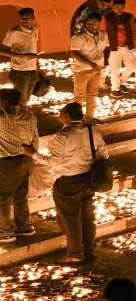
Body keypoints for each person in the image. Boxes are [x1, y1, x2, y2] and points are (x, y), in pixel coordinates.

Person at [49, 101, 107, 264]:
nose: (59, 115)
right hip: (88, 179)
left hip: (68, 181)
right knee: (87, 218)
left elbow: (55, 163)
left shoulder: (63, 135)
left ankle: (75, 253)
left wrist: (34, 155)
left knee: (69, 218)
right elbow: (104, 154)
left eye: (60, 113)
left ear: (67, 116)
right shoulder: (92, 130)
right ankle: (89, 251)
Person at [0, 88, 38, 243]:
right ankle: (25, 227)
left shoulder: (2, 120)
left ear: (4, 102)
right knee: (20, 195)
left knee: (2, 198)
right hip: (27, 160)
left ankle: (4, 231)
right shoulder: (30, 117)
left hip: (7, 163)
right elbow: (35, 139)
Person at [69, 14, 108, 121]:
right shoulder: (78, 37)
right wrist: (90, 63)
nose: (91, 25)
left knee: (92, 95)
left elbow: (104, 49)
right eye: (89, 23)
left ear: (99, 24)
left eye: (94, 23)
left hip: (97, 70)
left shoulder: (104, 35)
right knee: (79, 96)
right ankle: (76, 119)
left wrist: (101, 63)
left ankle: (89, 118)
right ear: (85, 23)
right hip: (82, 70)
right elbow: (74, 54)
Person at [0, 8, 40, 104]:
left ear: (33, 18)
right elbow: (1, 50)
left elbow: (33, 49)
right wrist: (21, 56)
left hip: (32, 70)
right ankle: (18, 118)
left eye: (27, 18)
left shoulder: (35, 30)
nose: (24, 21)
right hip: (19, 71)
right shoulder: (13, 33)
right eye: (22, 18)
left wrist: (38, 68)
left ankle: (24, 117)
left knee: (27, 99)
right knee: (20, 99)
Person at [101, 0, 136, 96]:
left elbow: (133, 30)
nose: (119, 9)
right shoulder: (107, 17)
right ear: (113, 6)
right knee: (115, 68)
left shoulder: (129, 16)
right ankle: (114, 89)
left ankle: (120, 82)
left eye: (121, 7)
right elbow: (102, 31)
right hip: (114, 47)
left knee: (132, 66)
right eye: (116, 7)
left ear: (124, 7)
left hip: (128, 46)